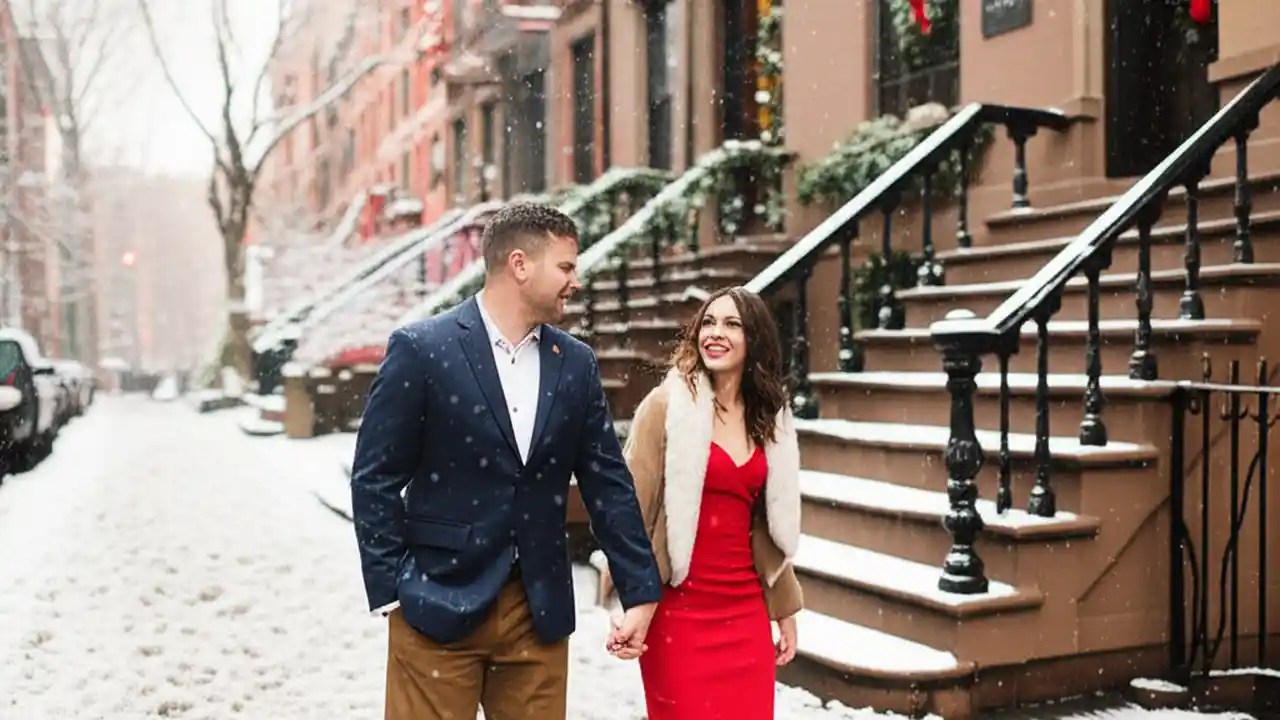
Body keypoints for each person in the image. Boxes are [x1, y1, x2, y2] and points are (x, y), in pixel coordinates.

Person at [350, 202, 663, 720]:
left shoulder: (576, 364)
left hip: (537, 612)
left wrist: (638, 588)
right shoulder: (423, 350)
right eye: (566, 267)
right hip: (434, 603)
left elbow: (608, 483)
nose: (575, 282)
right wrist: (393, 591)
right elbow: (375, 478)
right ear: (520, 265)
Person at [604, 286, 804, 719]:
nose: (715, 333)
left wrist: (785, 608)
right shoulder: (665, 407)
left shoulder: (769, 417)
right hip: (679, 614)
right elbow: (630, 510)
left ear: (756, 339)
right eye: (708, 323)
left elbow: (766, 526)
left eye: (732, 324)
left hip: (746, 611)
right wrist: (630, 599)